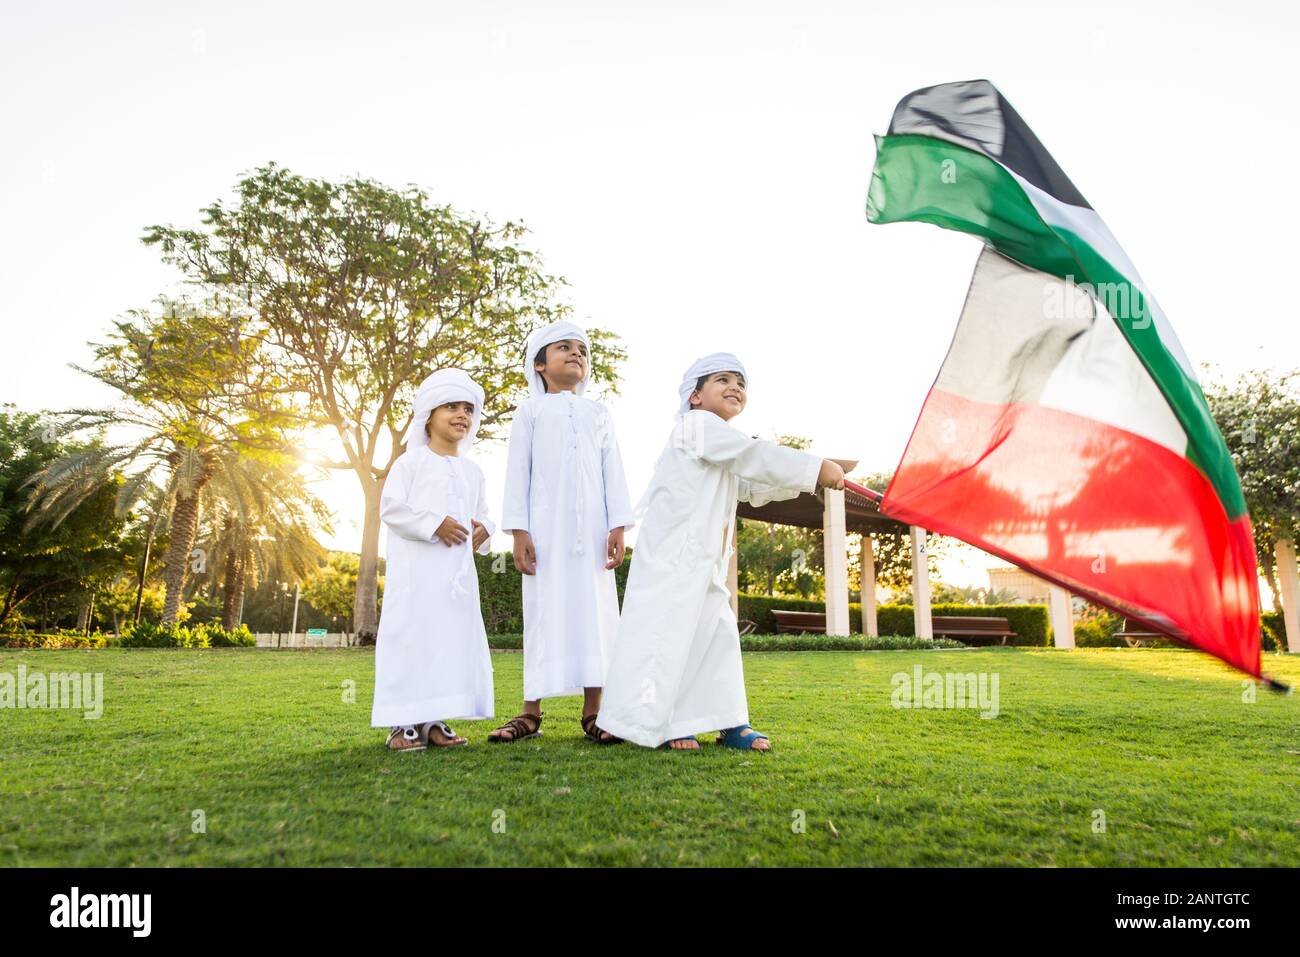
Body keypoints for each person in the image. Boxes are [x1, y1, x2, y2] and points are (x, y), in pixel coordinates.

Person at [596, 352, 845, 751]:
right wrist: (815, 468)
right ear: (694, 396)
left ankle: (730, 722)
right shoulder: (696, 428)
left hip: (704, 563)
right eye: (723, 379)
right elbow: (754, 456)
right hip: (673, 559)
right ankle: (662, 723)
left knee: (717, 634)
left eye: (742, 383)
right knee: (668, 635)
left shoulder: (721, 443)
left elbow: (751, 485)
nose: (736, 387)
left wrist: (810, 482)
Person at [491, 320, 634, 744]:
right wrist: (518, 531)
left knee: (596, 612)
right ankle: (530, 711)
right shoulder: (529, 410)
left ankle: (596, 711)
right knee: (542, 611)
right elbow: (518, 470)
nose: (576, 355)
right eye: (564, 348)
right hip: (545, 533)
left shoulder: (598, 413)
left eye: (583, 351)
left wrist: (618, 526)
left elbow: (613, 470)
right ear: (539, 365)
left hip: (592, 535)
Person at [371, 368, 496, 751]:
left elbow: (484, 513)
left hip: (455, 579)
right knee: (411, 639)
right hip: (415, 577)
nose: (462, 415)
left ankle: (434, 720)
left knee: (448, 644)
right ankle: (401, 724)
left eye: (468, 409)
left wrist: (485, 529)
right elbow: (391, 509)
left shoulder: (472, 470)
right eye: (451, 407)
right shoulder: (411, 463)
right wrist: (434, 523)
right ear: (429, 415)